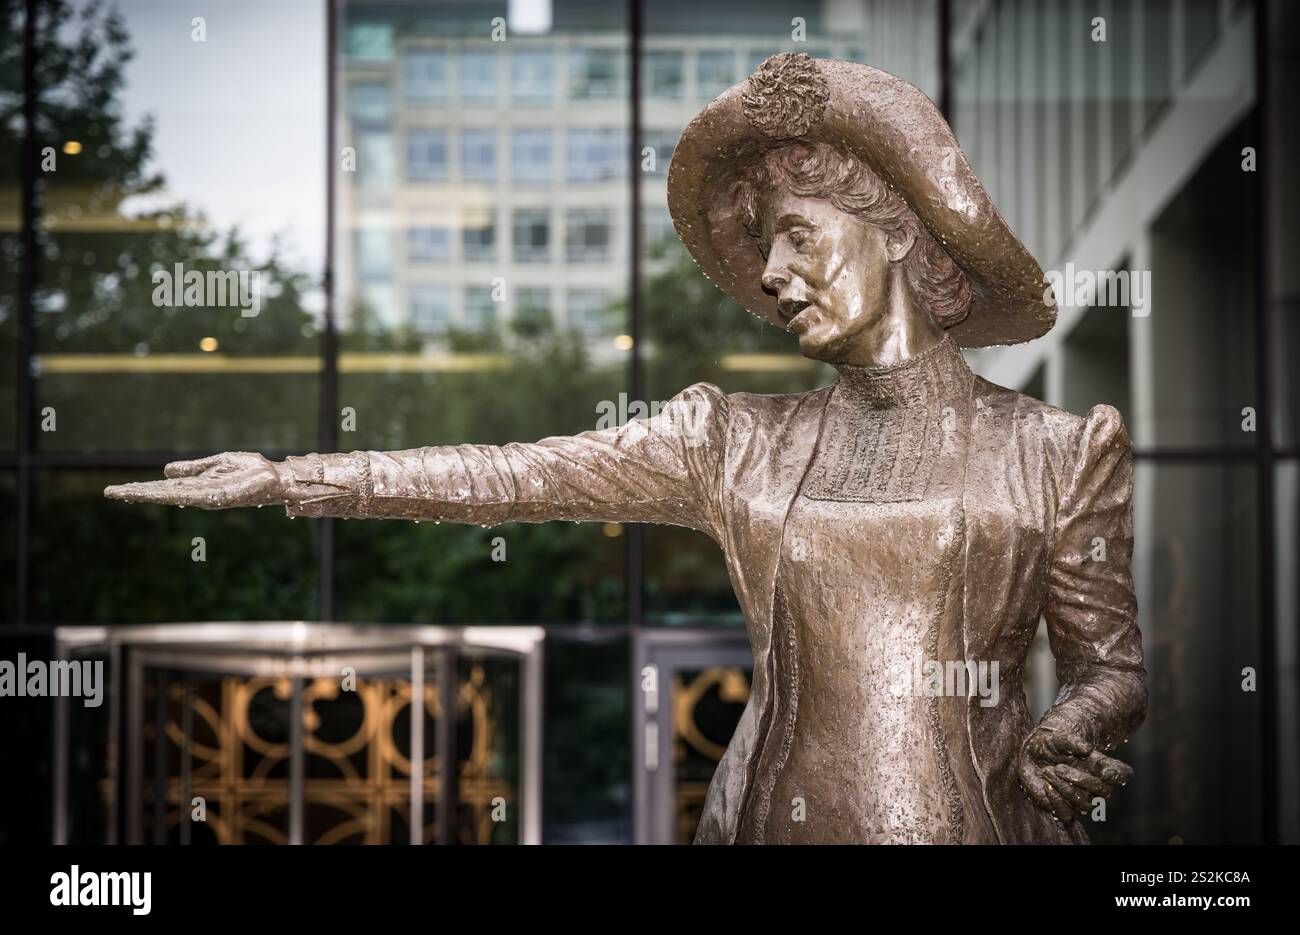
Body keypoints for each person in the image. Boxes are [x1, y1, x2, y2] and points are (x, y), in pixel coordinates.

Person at [107, 53, 1146, 844]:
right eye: (765, 247)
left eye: (798, 235)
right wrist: (294, 477)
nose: (774, 275)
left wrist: (1070, 727)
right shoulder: (730, 440)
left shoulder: (1056, 450)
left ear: (900, 232)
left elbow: (1113, 665)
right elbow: (515, 475)